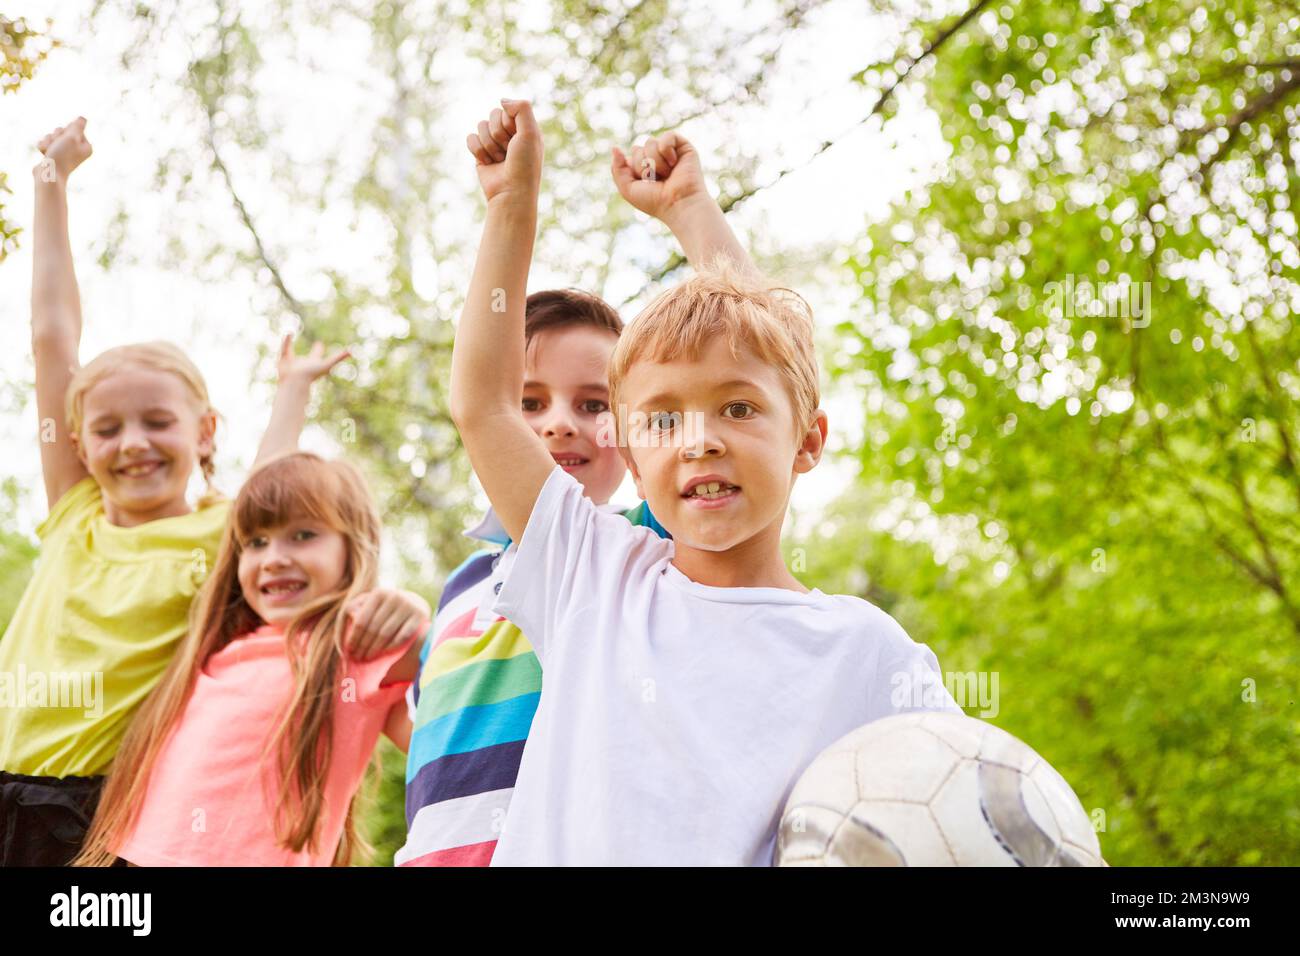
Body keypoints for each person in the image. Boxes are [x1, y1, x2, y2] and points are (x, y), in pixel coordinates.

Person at [449, 99, 961, 865]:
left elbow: (969, 812)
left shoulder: (864, 651)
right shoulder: (590, 576)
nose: (700, 441)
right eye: (660, 419)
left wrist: (694, 212)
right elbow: (482, 405)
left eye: (738, 408)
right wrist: (511, 206)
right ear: (625, 441)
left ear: (807, 441)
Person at [76, 452, 428, 866]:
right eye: (256, 542)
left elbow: (444, 737)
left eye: (303, 535)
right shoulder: (219, 650)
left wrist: (415, 620)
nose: (274, 558)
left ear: (354, 547)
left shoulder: (353, 641)